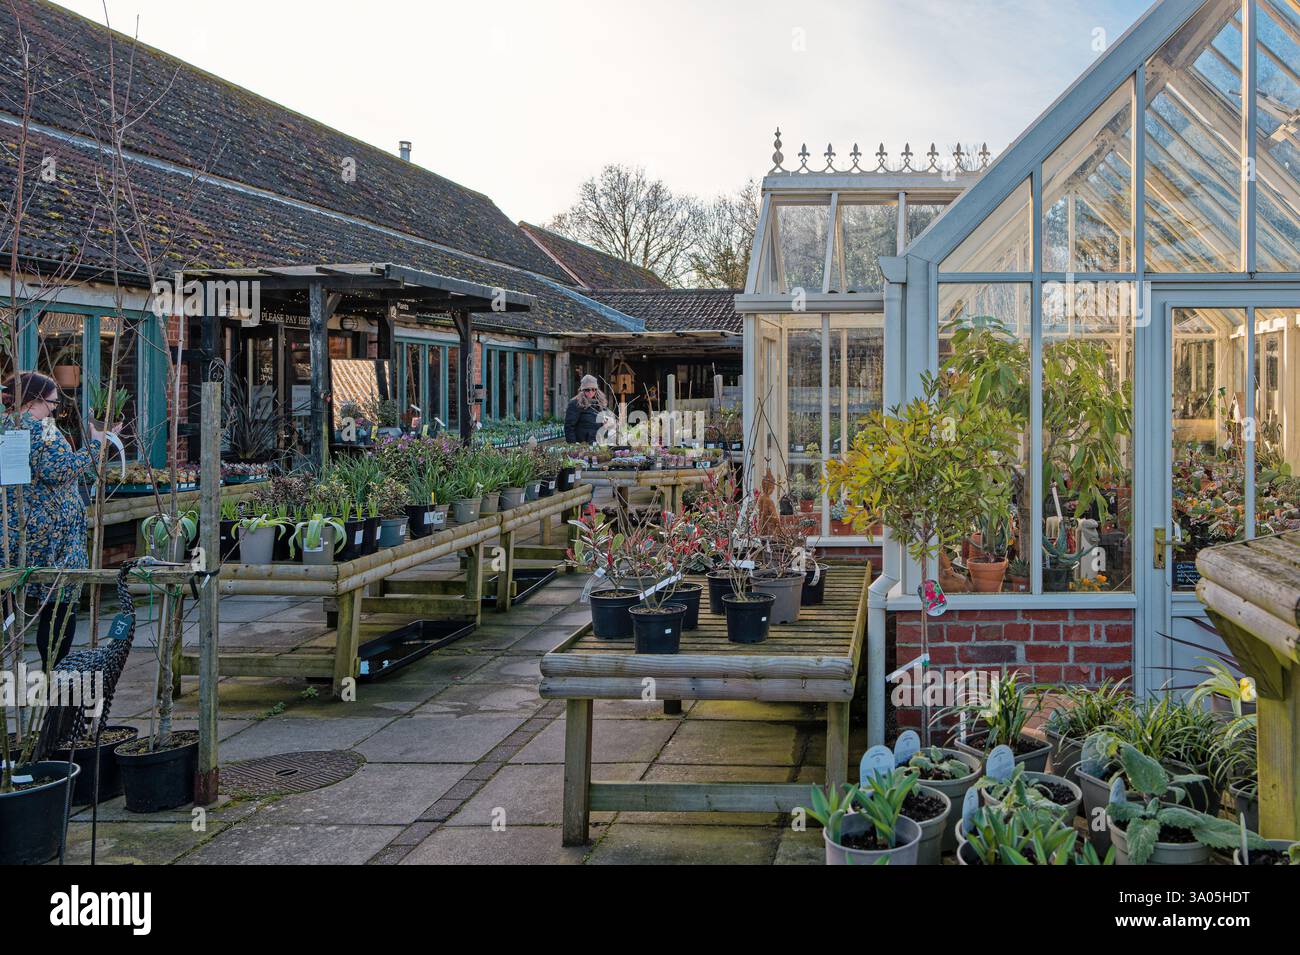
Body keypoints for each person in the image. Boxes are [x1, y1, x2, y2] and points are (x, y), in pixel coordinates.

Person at [2, 372, 114, 669]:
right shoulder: (39, 429)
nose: (54, 409)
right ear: (33, 400)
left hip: (14, 529)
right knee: (59, 604)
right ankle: (55, 671)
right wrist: (96, 444)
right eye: (52, 402)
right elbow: (60, 470)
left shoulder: (5, 425)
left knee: (12, 603)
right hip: (51, 534)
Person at [565, 374, 607, 444]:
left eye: (593, 389)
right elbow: (569, 427)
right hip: (582, 444)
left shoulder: (601, 403)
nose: (591, 392)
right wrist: (573, 445)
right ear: (582, 390)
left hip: (598, 442)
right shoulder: (575, 403)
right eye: (587, 390)